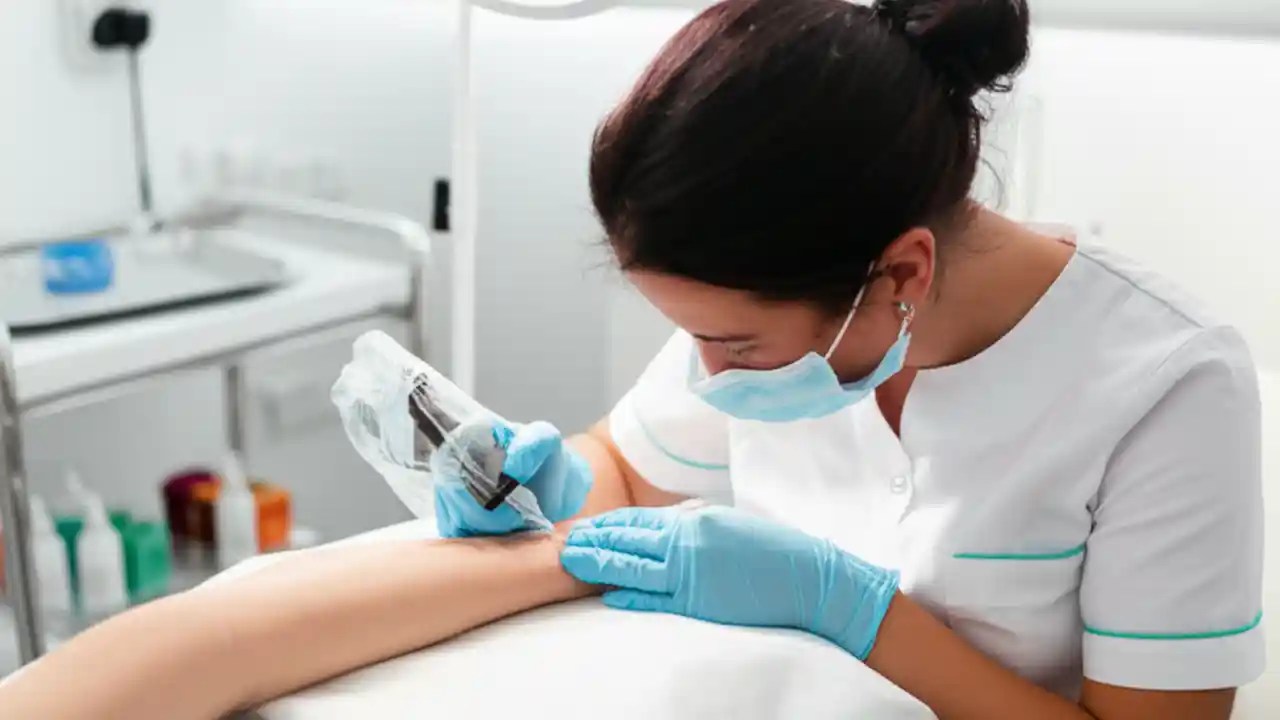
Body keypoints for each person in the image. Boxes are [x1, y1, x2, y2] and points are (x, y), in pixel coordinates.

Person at [0, 0, 1262, 717]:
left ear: (902, 273)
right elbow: (625, 464)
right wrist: (554, 484)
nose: (708, 378)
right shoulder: (783, 313)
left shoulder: (1164, 388)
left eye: (729, 342)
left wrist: (857, 613)